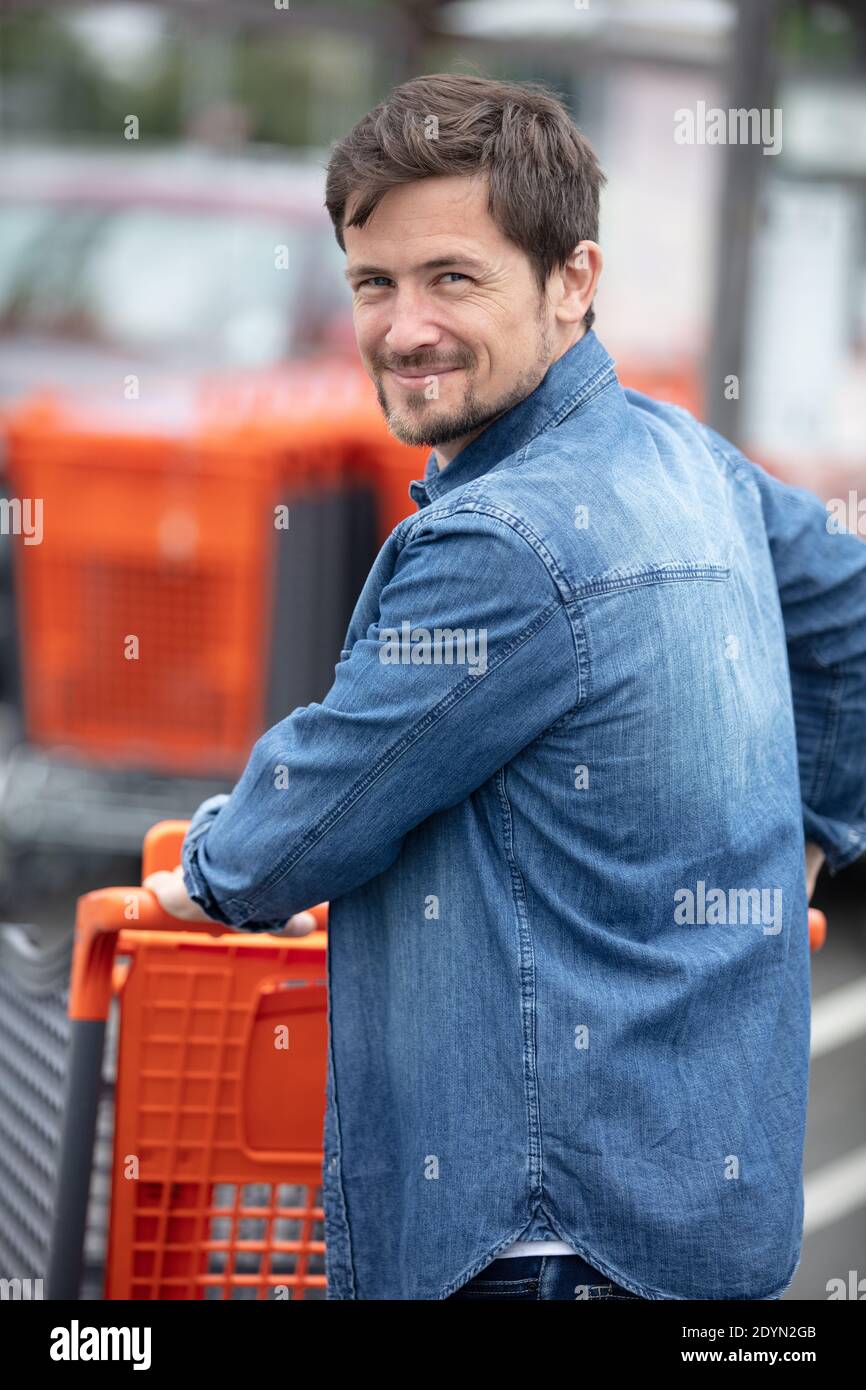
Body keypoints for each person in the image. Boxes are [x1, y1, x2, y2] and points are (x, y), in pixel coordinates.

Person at [145, 73, 866, 1301]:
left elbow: (298, 829)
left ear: (572, 280)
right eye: (373, 283)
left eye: (453, 278)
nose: (404, 326)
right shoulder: (691, 458)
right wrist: (816, 821)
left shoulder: (499, 545)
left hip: (539, 1240)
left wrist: (202, 866)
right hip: (699, 1225)